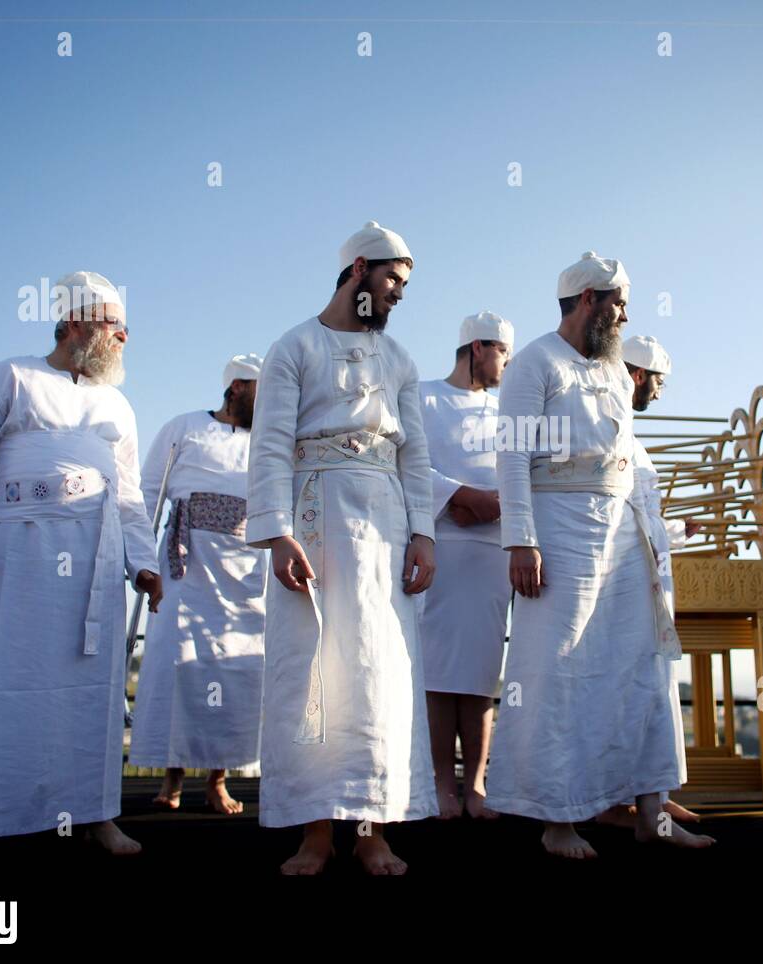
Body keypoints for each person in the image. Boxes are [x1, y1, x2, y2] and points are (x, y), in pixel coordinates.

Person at [0, 271, 162, 865]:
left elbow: (127, 492)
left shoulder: (118, 406)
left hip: (94, 566)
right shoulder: (8, 377)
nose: (124, 338)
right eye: (114, 326)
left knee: (92, 694)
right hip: (19, 560)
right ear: (76, 324)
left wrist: (144, 563)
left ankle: (95, 813)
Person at [486, 252, 714, 858]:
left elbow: (628, 463)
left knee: (638, 666)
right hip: (558, 530)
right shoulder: (534, 363)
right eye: (617, 301)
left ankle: (649, 814)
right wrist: (521, 540)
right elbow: (511, 459)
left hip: (620, 535)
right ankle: (557, 820)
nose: (624, 313)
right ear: (588, 298)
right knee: (556, 671)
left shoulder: (615, 371)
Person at [246, 222, 437, 875]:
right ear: (358, 269)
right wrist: (276, 533)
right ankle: (315, 832)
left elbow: (416, 454)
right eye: (392, 281)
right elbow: (269, 445)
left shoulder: (401, 360)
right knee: (312, 671)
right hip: (314, 520)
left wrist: (425, 535)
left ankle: (372, 828)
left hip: (384, 524)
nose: (398, 295)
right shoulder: (293, 347)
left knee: (376, 675)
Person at [130, 354, 267, 815]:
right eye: (259, 390)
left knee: (236, 673)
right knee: (179, 664)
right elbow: (148, 492)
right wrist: (141, 563)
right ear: (236, 390)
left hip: (246, 569)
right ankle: (172, 780)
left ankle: (218, 780)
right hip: (185, 565)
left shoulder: (270, 442)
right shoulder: (184, 426)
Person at [597, 335, 702, 828]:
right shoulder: (613, 433)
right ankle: (643, 806)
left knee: (650, 687)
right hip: (627, 585)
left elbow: (641, 520)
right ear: (638, 376)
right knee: (638, 689)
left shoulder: (628, 438)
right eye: (659, 381)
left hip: (645, 579)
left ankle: (650, 795)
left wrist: (676, 531)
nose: (660, 392)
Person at [417, 311, 513, 819]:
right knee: (438, 671)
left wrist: (493, 502)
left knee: (480, 673)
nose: (506, 364)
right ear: (478, 347)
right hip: (440, 542)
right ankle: (440, 785)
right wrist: (457, 495)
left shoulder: (505, 412)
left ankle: (475, 785)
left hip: (490, 550)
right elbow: (407, 459)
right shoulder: (423, 395)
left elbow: (521, 471)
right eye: (502, 352)